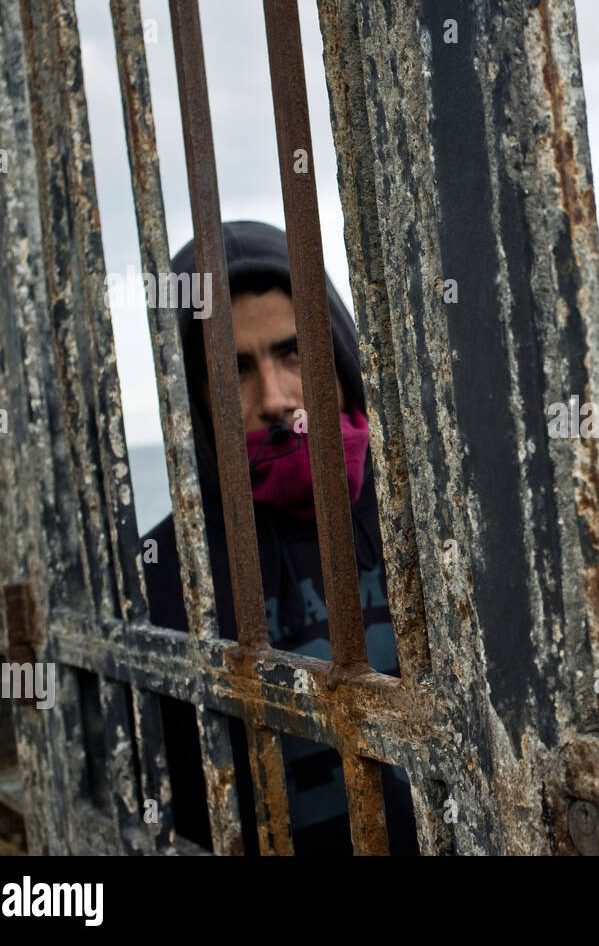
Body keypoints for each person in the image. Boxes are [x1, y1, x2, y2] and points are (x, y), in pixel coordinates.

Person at [142, 220, 417, 855]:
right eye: (233, 370)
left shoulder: (431, 523)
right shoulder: (160, 577)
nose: (275, 397)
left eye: (295, 352)